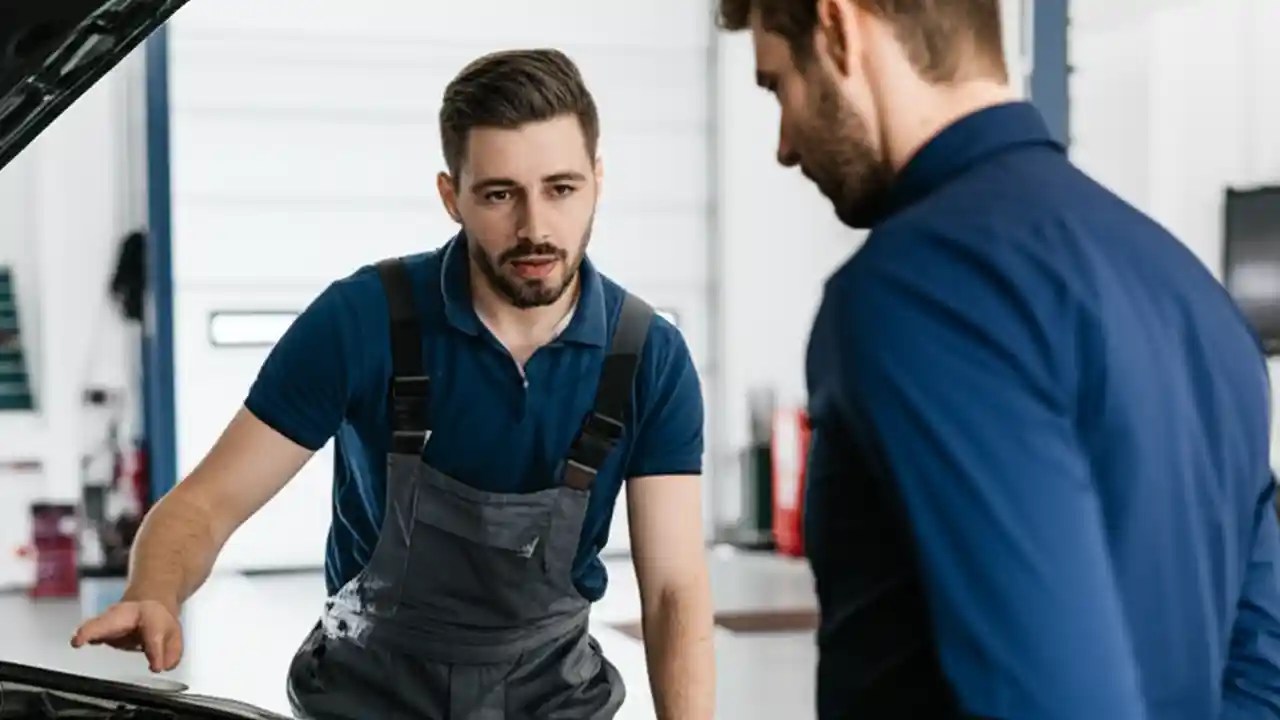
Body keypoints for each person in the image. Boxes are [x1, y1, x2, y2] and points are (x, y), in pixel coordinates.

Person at [71, 48, 716, 719]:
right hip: (368, 698)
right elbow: (206, 505)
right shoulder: (363, 320)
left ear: (597, 182)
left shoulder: (647, 356)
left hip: (552, 701)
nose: (535, 228)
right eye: (500, 194)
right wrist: (153, 589)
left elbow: (673, 590)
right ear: (451, 196)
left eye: (561, 188)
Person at [718, 1, 1280, 719]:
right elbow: (1261, 675)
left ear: (837, 28)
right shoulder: (1192, 292)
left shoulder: (917, 288)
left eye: (778, 88)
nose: (785, 144)